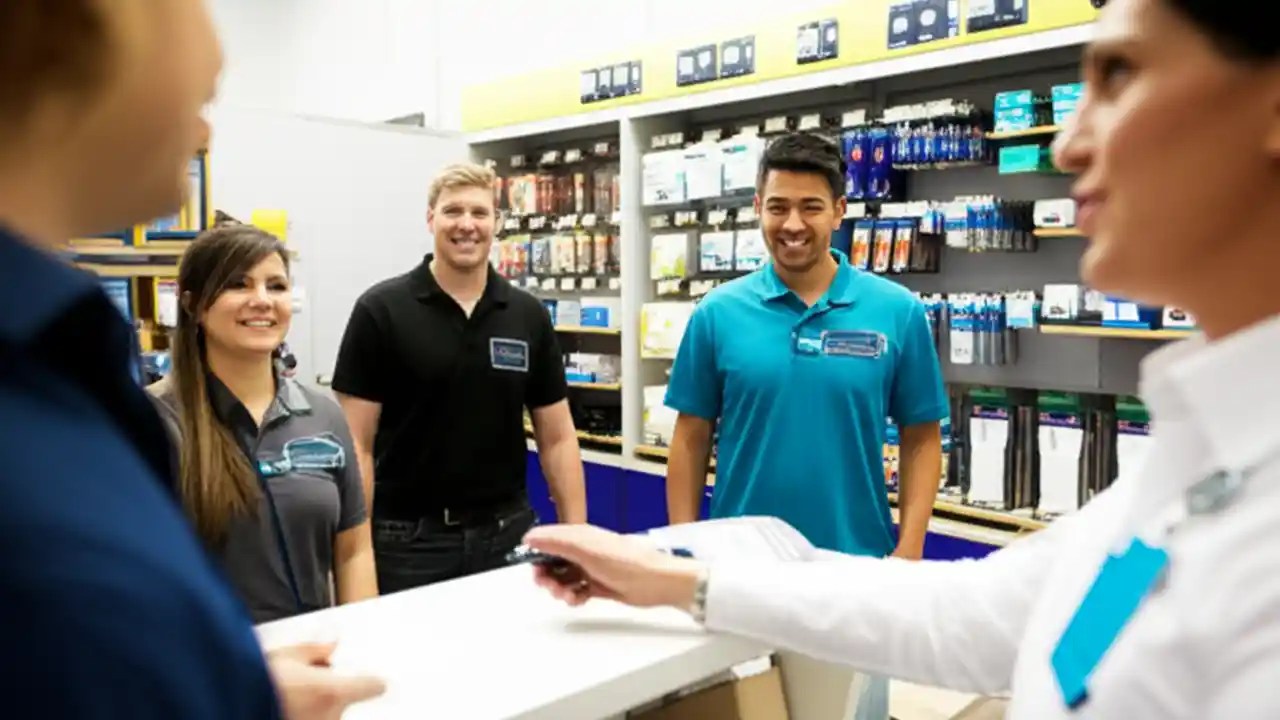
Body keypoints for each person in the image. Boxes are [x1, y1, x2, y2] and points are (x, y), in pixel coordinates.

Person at [524, 1, 1280, 717]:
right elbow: (977, 620)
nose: (1067, 142)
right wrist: (678, 578)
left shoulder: (1242, 497)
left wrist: (898, 548)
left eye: (1119, 75)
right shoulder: (1187, 471)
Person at [0, 1, 382, 717]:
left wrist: (236, 687)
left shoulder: (64, 359)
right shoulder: (117, 402)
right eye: (200, 98)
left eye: (275, 285)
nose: (204, 130)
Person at [665, 131, 948, 562]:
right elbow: (690, 437)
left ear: (838, 212)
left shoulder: (898, 311)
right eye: (778, 207)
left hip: (856, 564)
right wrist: (683, 547)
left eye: (811, 207)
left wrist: (909, 550)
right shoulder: (716, 313)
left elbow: (922, 437)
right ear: (758, 208)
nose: (792, 225)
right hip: (741, 568)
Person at [331, 162, 588, 593]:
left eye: (479, 213)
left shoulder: (526, 315)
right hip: (407, 543)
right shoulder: (381, 310)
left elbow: (558, 436)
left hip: (509, 536)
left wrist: (577, 536)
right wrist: (356, 550)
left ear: (497, 223)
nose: (466, 225)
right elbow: (356, 442)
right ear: (430, 218)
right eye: (452, 212)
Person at [148, 226, 378, 624]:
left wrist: (362, 643)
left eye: (276, 286)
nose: (261, 301)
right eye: (238, 284)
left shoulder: (322, 414)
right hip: (215, 671)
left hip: (317, 662)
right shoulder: (151, 419)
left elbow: (353, 550)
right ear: (193, 304)